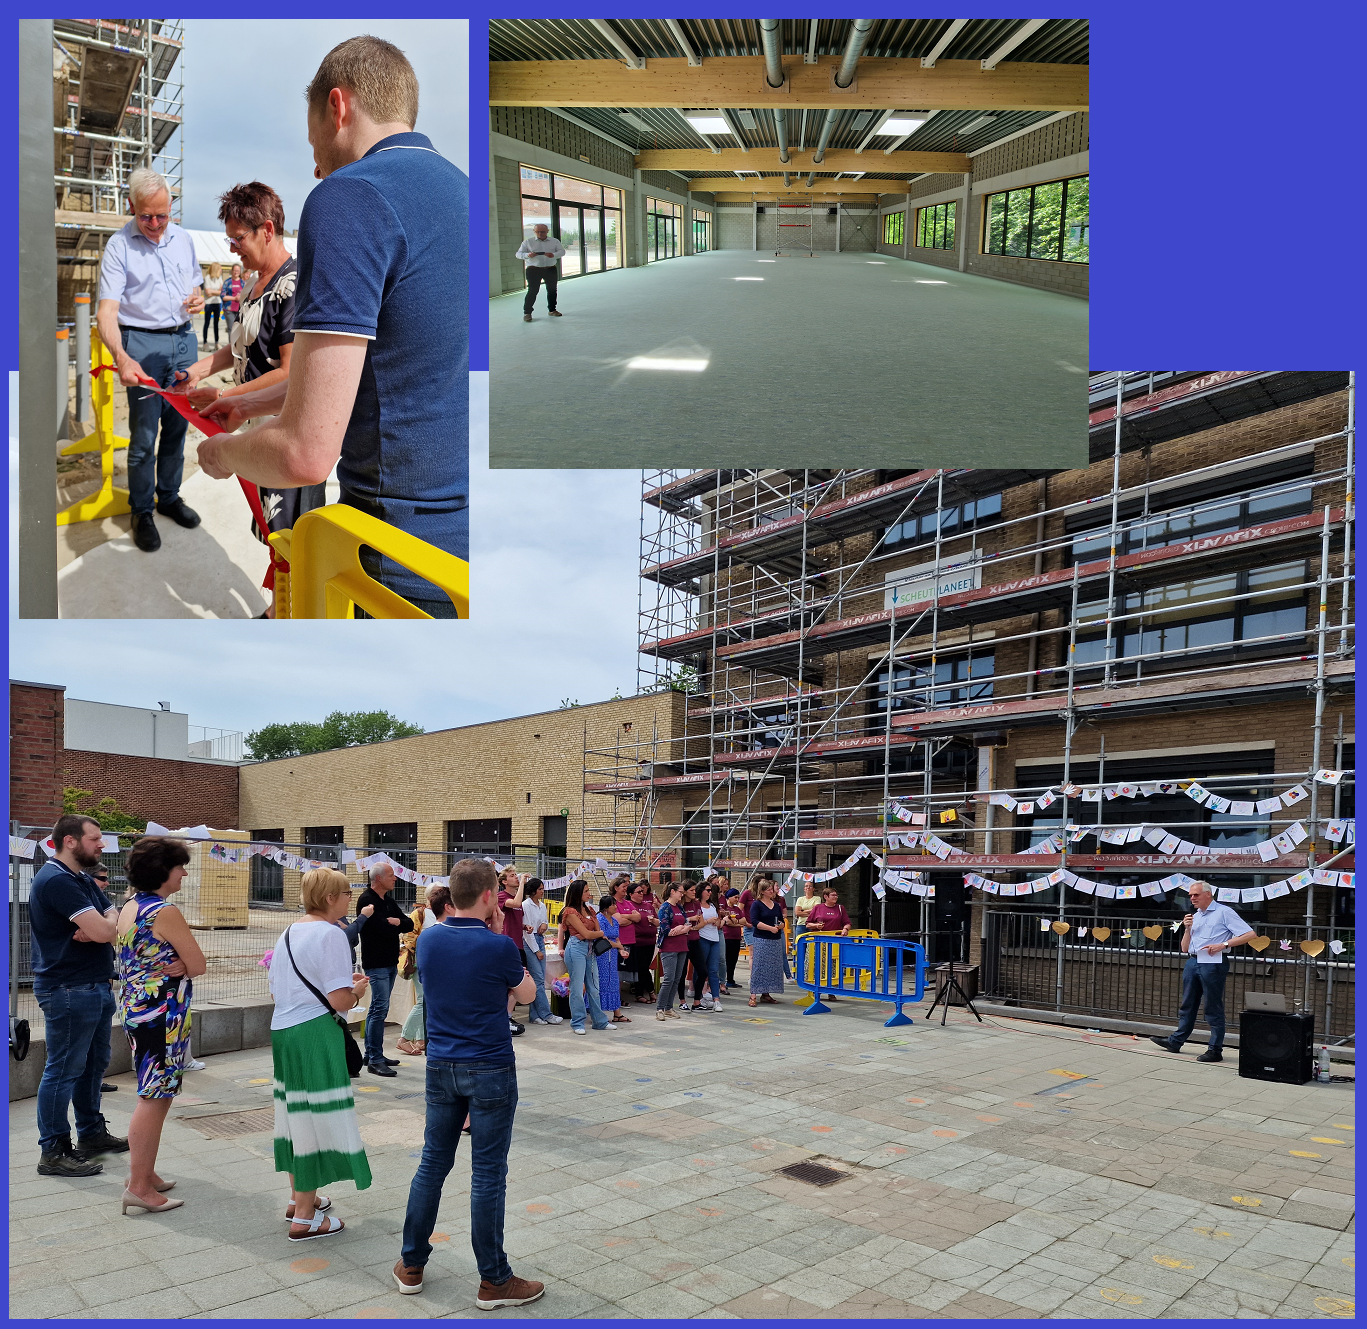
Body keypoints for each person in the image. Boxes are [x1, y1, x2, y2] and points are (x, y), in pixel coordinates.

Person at [199, 36, 469, 617]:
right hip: (461, 549)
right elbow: (392, 366)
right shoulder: (464, 193)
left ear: (337, 107)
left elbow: (304, 454)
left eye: (313, 139)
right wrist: (248, 404)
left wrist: (224, 453)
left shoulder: (348, 196)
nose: (316, 163)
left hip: (390, 553)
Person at [393, 859, 544, 1308]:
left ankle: (411, 1263)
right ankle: (494, 1279)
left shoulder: (430, 939)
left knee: (432, 1164)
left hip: (442, 1066)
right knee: (488, 1174)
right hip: (491, 1066)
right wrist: (498, 934)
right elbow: (530, 994)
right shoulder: (497, 946)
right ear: (486, 897)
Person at [180, 183, 318, 569]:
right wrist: (197, 370)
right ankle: (282, 606)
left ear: (268, 230)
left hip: (282, 429)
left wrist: (229, 396)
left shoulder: (291, 287)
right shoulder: (255, 284)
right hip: (255, 424)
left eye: (238, 238)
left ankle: (288, 611)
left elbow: (291, 373)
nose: (231, 248)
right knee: (271, 528)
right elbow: (239, 349)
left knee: (289, 531)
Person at [96, 166, 205, 554]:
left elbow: (195, 286)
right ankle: (141, 509)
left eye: (162, 214)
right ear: (132, 206)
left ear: (171, 205)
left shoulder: (183, 239)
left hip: (182, 340)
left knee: (178, 428)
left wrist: (198, 298)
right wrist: (122, 357)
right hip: (140, 344)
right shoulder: (119, 246)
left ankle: (169, 497)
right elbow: (106, 313)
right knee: (144, 436)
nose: (156, 224)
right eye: (146, 216)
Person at [268, 868, 373, 1240]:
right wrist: (358, 990)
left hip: (284, 1029)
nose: (350, 899)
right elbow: (338, 999)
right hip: (315, 1031)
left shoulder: (289, 931)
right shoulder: (331, 935)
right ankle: (306, 1216)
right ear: (331, 898)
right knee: (315, 1116)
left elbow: (276, 991)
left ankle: (300, 1199)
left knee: (296, 1112)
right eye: (347, 893)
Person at [29, 815, 129, 1177]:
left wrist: (106, 923)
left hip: (94, 985)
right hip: (69, 989)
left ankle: (91, 1135)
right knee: (63, 1070)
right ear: (70, 841)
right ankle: (53, 1151)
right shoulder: (57, 880)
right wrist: (105, 926)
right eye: (95, 838)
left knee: (92, 1065)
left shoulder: (81, 878)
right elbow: (107, 928)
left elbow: (112, 918)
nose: (102, 845)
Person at [116, 836, 206, 1214]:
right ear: (162, 871)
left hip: (138, 1009)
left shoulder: (130, 906)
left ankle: (144, 1173)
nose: (184, 873)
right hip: (161, 1015)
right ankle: (138, 1186)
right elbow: (198, 963)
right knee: (154, 1097)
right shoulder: (164, 912)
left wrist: (180, 964)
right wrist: (185, 965)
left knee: (155, 1093)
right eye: (179, 866)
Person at [1149, 882, 1257, 1063]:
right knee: (1188, 1003)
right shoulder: (1195, 916)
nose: (1192, 898)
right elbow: (1184, 948)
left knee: (1212, 1006)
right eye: (1191, 895)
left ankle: (1215, 1049)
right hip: (1193, 960)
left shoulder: (1224, 912)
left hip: (1213, 962)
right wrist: (1188, 928)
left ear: (1208, 894)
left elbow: (1249, 934)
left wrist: (1223, 945)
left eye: (1196, 895)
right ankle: (1175, 1041)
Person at [354, 863, 414, 1076]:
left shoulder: (387, 901)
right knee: (379, 1010)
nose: (395, 879)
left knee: (378, 1009)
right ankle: (375, 1059)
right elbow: (380, 929)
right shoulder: (367, 900)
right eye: (391, 875)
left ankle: (371, 1054)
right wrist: (397, 924)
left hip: (389, 962)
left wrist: (398, 922)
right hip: (376, 963)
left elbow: (408, 924)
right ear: (378, 878)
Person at [398, 884, 449, 1055]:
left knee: (424, 1000)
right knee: (423, 1001)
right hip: (422, 963)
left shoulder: (439, 914)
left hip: (433, 963)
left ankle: (421, 1039)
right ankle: (404, 1038)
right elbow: (409, 938)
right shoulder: (420, 914)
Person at [560, 880, 615, 1035]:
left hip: (590, 949)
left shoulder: (590, 909)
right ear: (577, 893)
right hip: (576, 948)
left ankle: (600, 1021)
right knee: (577, 988)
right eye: (586, 891)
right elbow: (588, 933)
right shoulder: (569, 912)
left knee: (594, 987)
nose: (589, 893)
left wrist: (595, 933)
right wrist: (596, 933)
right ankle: (577, 1022)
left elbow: (596, 930)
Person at [519, 879, 562, 1025]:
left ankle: (535, 1015)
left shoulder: (542, 906)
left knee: (539, 978)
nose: (542, 891)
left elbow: (544, 921)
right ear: (533, 890)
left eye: (543, 889)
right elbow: (527, 932)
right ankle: (546, 1013)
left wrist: (545, 924)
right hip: (530, 942)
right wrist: (536, 950)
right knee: (537, 978)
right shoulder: (526, 905)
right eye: (540, 889)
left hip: (540, 939)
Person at [804, 886, 852, 1000]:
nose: (836, 897)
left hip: (834, 942)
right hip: (818, 942)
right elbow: (808, 924)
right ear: (826, 897)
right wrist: (816, 926)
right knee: (817, 966)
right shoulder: (818, 908)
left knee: (833, 966)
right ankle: (816, 990)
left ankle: (831, 991)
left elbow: (847, 922)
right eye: (833, 895)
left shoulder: (840, 908)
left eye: (836, 895)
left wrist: (845, 929)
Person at [497, 868, 528, 1036]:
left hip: (519, 944)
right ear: (504, 882)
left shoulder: (517, 899)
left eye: (516, 875)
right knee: (508, 983)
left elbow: (515, 917)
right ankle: (503, 1016)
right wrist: (522, 882)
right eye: (512, 876)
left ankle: (507, 1015)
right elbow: (515, 904)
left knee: (518, 982)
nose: (516, 878)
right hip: (508, 944)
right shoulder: (502, 897)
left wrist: (524, 926)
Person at [654, 883, 691, 1020]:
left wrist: (681, 928)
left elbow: (687, 924)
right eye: (680, 892)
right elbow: (666, 930)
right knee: (668, 978)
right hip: (669, 948)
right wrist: (682, 929)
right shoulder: (664, 908)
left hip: (682, 946)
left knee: (676, 979)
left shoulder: (680, 907)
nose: (682, 894)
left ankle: (669, 1007)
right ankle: (660, 1008)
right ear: (672, 892)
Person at [748, 879, 787, 1007]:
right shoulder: (757, 904)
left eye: (772, 889)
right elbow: (754, 921)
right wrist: (770, 928)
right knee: (759, 966)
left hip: (775, 940)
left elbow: (782, 921)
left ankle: (766, 993)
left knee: (772, 967)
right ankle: (753, 994)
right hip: (761, 939)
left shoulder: (776, 905)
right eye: (769, 890)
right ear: (763, 891)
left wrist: (780, 926)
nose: (772, 891)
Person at [516, 222, 566, 322]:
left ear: (547, 231)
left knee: (552, 290)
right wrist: (527, 255)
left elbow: (562, 252)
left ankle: (552, 310)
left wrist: (554, 255)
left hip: (550, 269)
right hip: (533, 270)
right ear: (534, 231)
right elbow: (518, 254)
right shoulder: (528, 242)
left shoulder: (554, 241)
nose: (540, 234)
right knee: (532, 291)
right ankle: (527, 313)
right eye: (537, 232)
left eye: (542, 232)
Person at [595, 895, 630, 1023]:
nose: (616, 907)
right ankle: (597, 1011)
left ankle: (617, 1013)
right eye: (613, 905)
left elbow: (616, 938)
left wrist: (621, 949)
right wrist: (618, 946)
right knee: (602, 982)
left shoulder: (614, 921)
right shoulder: (599, 920)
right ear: (605, 907)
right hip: (602, 955)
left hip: (613, 955)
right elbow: (603, 939)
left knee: (614, 982)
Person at [692, 880, 724, 1012]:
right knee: (700, 969)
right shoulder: (696, 905)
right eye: (708, 890)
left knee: (713, 970)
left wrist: (718, 922)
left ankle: (716, 999)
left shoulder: (712, 905)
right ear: (701, 891)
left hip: (714, 939)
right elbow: (696, 924)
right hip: (702, 938)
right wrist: (707, 921)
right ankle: (698, 997)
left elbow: (718, 923)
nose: (710, 893)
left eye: (711, 891)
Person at [627, 880, 657, 1005]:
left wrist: (654, 920)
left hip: (650, 941)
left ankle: (640, 993)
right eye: (638, 892)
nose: (642, 893)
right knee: (642, 968)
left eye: (642, 891)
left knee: (644, 967)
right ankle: (649, 991)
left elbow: (658, 920)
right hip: (637, 941)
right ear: (630, 894)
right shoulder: (629, 905)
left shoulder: (648, 906)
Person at [720, 887, 744, 992]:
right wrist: (737, 923)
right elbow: (728, 923)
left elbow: (744, 920)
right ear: (729, 897)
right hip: (727, 937)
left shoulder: (737, 909)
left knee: (733, 960)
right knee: (725, 959)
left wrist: (736, 922)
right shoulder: (725, 909)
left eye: (738, 897)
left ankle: (730, 979)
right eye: (735, 897)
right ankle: (723, 980)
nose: (737, 899)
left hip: (736, 937)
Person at [793, 881, 820, 953]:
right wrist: (810, 913)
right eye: (806, 886)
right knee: (800, 946)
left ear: (813, 889)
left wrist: (803, 911)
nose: (808, 887)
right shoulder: (800, 899)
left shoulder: (817, 898)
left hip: (812, 925)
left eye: (810, 886)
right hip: (801, 925)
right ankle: (800, 963)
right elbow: (797, 912)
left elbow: (816, 910)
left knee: (812, 947)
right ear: (804, 889)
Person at [202, 263, 223, 346]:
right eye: (220, 268)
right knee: (207, 323)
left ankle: (216, 342)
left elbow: (221, 292)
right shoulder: (207, 278)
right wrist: (217, 292)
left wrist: (212, 292)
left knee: (216, 324)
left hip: (217, 303)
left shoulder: (219, 278)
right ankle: (205, 342)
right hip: (208, 303)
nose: (221, 270)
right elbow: (207, 293)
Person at [221, 263, 244, 343]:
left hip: (240, 309)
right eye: (234, 270)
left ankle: (238, 348)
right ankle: (231, 348)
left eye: (238, 270)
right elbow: (223, 296)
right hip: (229, 309)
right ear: (232, 271)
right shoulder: (227, 282)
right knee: (231, 328)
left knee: (239, 330)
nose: (236, 272)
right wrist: (234, 298)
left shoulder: (243, 283)